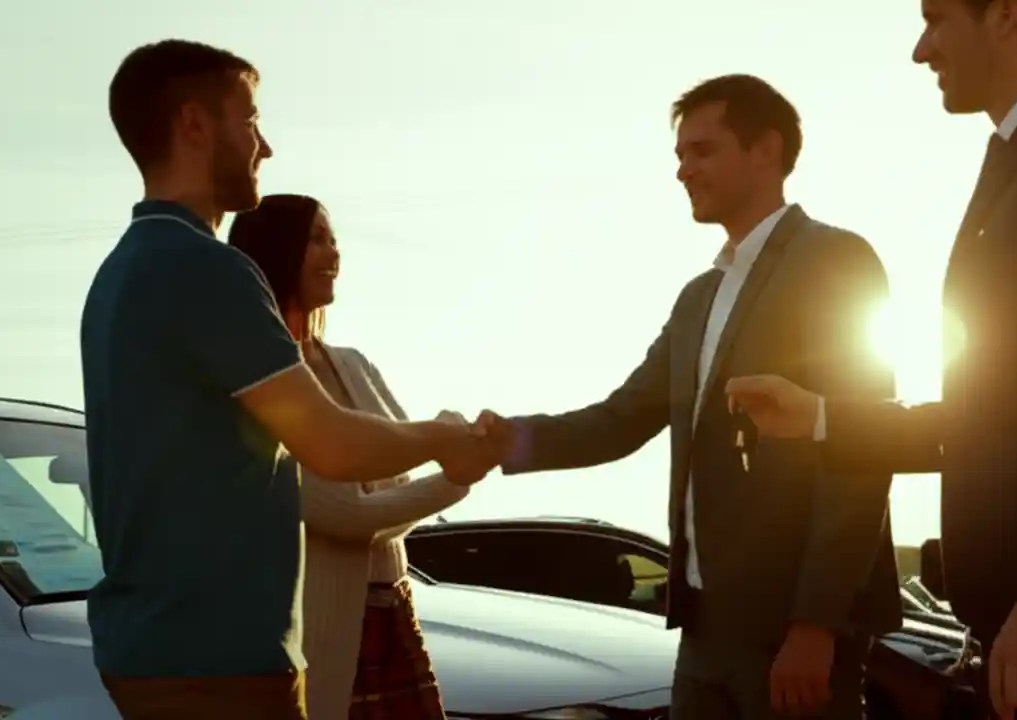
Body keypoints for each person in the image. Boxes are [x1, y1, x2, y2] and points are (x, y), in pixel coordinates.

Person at [724, 1, 1017, 717]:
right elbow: (995, 419)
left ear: (1008, 12)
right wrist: (823, 417)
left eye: (937, 17)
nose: (922, 49)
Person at [80, 40, 492, 720]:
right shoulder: (205, 269)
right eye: (250, 121)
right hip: (216, 664)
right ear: (194, 125)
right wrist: (446, 439)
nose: (263, 146)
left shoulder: (120, 273)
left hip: (155, 651)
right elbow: (331, 446)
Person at [475, 74, 899, 719]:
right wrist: (508, 439)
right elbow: (620, 420)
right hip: (702, 632)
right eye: (679, 156)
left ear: (766, 150)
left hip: (793, 631)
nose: (683, 171)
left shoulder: (834, 259)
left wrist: (817, 627)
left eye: (702, 151)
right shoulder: (698, 296)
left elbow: (863, 449)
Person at [228, 193, 477, 720]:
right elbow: (346, 515)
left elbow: (395, 480)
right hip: (323, 633)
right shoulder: (261, 381)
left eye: (333, 238)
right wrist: (454, 477)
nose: (334, 253)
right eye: (317, 239)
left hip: (394, 613)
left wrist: (443, 453)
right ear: (278, 251)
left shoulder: (353, 363)